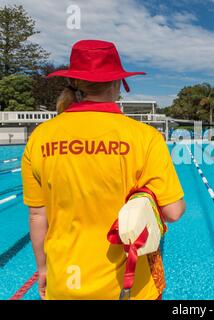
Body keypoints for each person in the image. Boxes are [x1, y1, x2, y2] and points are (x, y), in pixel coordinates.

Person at [22, 40, 186, 300]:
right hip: (129, 287)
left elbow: (37, 215)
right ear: (118, 83)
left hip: (63, 283)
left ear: (74, 82)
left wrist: (43, 269)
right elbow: (173, 211)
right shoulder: (144, 137)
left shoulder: (40, 137)